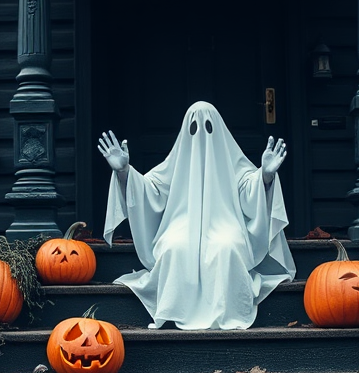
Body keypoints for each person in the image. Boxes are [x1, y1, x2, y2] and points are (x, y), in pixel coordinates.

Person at [98, 101, 296, 330]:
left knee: (227, 248)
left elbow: (250, 190)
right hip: (180, 226)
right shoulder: (174, 163)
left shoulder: (234, 162)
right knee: (173, 248)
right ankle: (173, 310)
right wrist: (124, 172)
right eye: (194, 128)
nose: (201, 135)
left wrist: (266, 176)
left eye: (209, 127)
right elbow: (149, 190)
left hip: (226, 225)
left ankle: (224, 311)